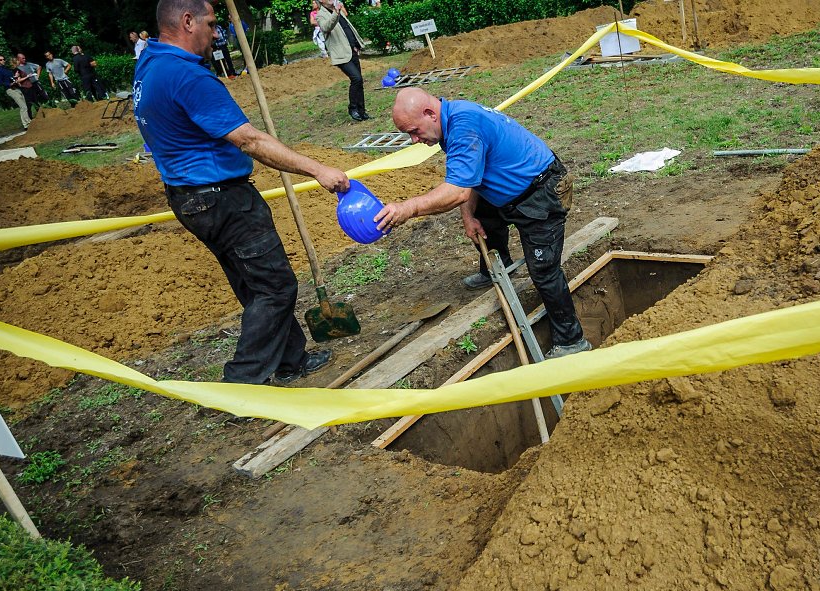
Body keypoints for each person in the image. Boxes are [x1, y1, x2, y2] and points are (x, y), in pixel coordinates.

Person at [134, 0, 351, 384]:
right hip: (222, 199)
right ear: (187, 21)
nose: (217, 33)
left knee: (254, 283)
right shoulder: (188, 77)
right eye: (212, 24)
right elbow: (248, 140)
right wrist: (317, 169)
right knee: (275, 286)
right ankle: (242, 383)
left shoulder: (150, 62)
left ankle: (290, 360)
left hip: (189, 197)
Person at [375, 88, 591, 359]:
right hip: (514, 190)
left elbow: (457, 191)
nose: (414, 139)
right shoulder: (450, 119)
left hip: (541, 192)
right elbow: (469, 176)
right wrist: (469, 216)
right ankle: (494, 269)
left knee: (544, 271)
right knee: (485, 219)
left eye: (414, 131)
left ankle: (572, 341)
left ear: (430, 114)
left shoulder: (464, 126)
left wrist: (408, 208)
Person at [316, 0, 368, 121]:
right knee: (356, 79)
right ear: (321, 1)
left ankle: (362, 111)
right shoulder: (320, 15)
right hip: (340, 54)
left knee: (359, 82)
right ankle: (353, 108)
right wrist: (336, 12)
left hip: (351, 51)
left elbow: (347, 29)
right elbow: (326, 27)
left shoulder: (339, 11)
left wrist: (356, 44)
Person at [0, 54, 31, 129]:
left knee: (24, 106)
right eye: (1, 60)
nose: (3, 61)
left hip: (17, 88)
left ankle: (26, 123)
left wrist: (15, 77)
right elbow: (0, 82)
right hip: (10, 90)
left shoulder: (6, 68)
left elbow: (11, 78)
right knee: (23, 106)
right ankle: (27, 124)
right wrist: (10, 84)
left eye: (3, 59)